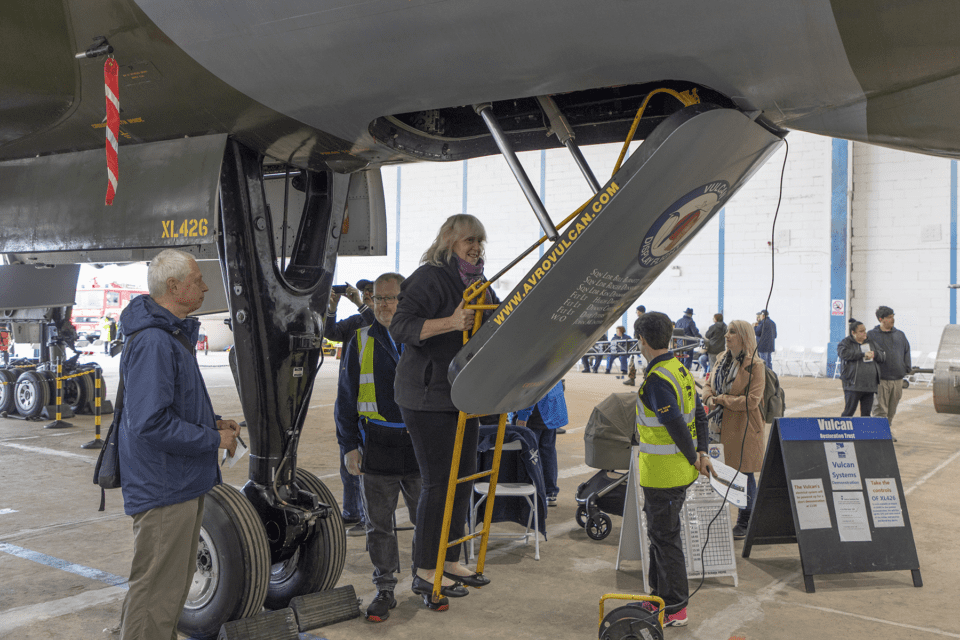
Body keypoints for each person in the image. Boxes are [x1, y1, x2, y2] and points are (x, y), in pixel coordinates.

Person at [116, 249, 240, 640]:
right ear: (174, 287)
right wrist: (211, 438)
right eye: (197, 280)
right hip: (165, 486)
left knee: (164, 591)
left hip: (178, 480)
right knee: (156, 592)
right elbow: (150, 422)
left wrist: (211, 423)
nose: (205, 286)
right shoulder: (155, 342)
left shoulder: (169, 337)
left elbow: (170, 406)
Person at [389, 214, 499, 610]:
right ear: (449, 240)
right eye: (470, 240)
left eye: (480, 242)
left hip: (462, 396)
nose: (476, 248)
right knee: (438, 483)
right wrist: (451, 322)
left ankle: (450, 558)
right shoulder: (428, 277)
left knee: (464, 477)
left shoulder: (478, 282)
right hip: (426, 397)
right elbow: (400, 327)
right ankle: (424, 567)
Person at [335, 272, 421, 623]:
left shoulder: (423, 338)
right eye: (379, 299)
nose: (386, 305)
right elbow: (346, 400)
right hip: (378, 444)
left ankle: (425, 577)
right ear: (371, 301)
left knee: (426, 518)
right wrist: (350, 445)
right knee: (379, 523)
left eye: (393, 298)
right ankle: (385, 586)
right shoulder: (359, 340)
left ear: (407, 301)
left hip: (419, 445)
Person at [633, 311, 712, 628]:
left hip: (664, 475)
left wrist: (695, 455)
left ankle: (676, 608)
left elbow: (677, 423)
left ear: (642, 340)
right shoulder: (678, 369)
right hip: (677, 471)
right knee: (659, 538)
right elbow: (700, 415)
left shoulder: (657, 379)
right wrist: (701, 452)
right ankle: (657, 598)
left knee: (665, 540)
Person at [701, 319, 766, 540]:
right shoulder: (720, 358)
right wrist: (708, 395)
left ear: (744, 337)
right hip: (717, 424)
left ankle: (746, 521)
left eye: (732, 332)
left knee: (744, 473)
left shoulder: (756, 365)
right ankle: (716, 515)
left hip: (743, 426)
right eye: (727, 332)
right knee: (719, 471)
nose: (727, 336)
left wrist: (721, 400)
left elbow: (753, 400)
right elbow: (708, 383)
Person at [325, 281, 376, 535]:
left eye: (371, 293)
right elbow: (330, 332)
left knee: (369, 464)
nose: (366, 295)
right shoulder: (355, 322)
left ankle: (369, 517)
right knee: (348, 457)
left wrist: (360, 303)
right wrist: (332, 307)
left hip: (373, 403)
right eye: (364, 292)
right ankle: (351, 511)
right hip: (349, 398)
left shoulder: (384, 322)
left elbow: (379, 328)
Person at [510, 380, 568, 506]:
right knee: (548, 453)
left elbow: (530, 387)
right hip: (551, 409)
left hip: (534, 412)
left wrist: (522, 417)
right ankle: (550, 493)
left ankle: (530, 494)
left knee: (528, 455)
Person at [867, 306, 911, 441]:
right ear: (881, 319)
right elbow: (866, 355)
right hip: (881, 378)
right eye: (889, 317)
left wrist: (906, 368)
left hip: (897, 378)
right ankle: (880, 434)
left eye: (893, 316)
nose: (893, 319)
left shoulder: (900, 335)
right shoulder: (871, 335)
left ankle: (886, 430)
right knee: (880, 408)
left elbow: (906, 351)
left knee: (892, 409)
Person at [838, 318, 885, 417]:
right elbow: (844, 354)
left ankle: (864, 432)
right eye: (861, 331)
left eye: (865, 330)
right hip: (853, 385)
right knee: (849, 412)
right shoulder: (846, 343)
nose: (865, 333)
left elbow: (883, 355)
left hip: (869, 386)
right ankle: (843, 432)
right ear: (853, 333)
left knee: (866, 414)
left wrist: (875, 354)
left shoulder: (871, 343)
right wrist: (862, 354)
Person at [624, 305, 646, 386]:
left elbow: (638, 332)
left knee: (643, 362)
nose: (636, 313)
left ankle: (632, 379)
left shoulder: (641, 320)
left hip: (640, 343)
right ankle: (637, 379)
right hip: (641, 343)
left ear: (639, 311)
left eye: (637, 311)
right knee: (642, 361)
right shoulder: (647, 319)